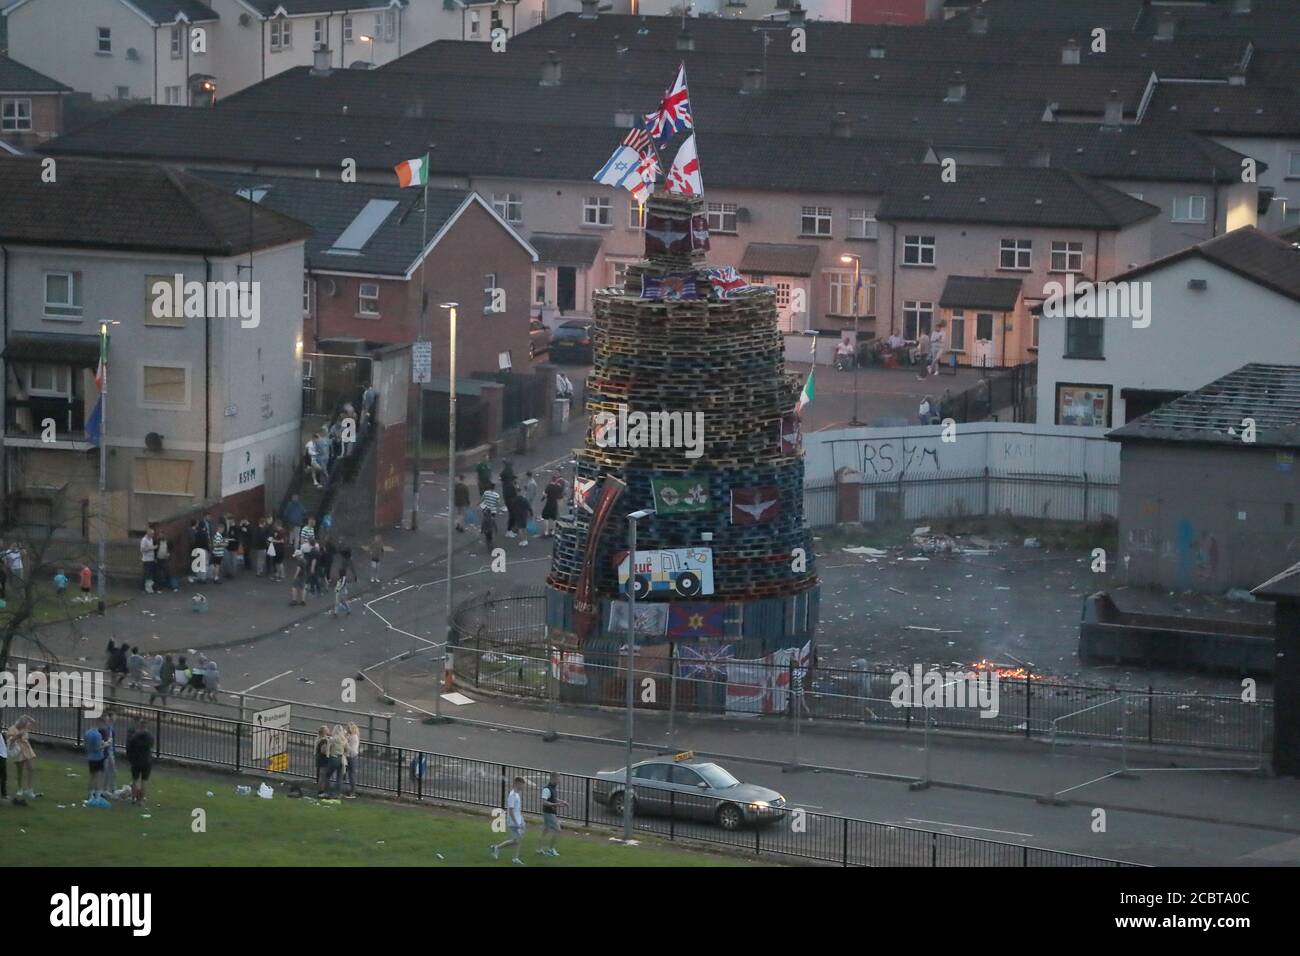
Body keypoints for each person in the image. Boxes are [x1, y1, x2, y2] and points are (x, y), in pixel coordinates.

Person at [490, 776, 527, 864]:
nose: (523, 787)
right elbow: (510, 810)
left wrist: (521, 820)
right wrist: (517, 823)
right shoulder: (512, 795)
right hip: (513, 822)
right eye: (522, 785)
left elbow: (517, 809)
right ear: (518, 784)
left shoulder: (517, 794)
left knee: (516, 840)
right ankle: (514, 858)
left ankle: (496, 848)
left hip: (517, 821)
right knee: (518, 839)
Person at [6, 715, 37, 804]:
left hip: (26, 750)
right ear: (18, 722)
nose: (23, 726)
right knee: (19, 771)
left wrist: (27, 717)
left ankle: (29, 789)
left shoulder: (25, 727)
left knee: (30, 768)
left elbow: (34, 723)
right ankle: (20, 788)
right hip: (18, 750)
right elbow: (10, 741)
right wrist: (18, 735)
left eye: (24, 725)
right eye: (21, 724)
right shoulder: (12, 729)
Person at [537, 772, 569, 858]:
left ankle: (539, 849)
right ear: (553, 778)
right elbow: (544, 802)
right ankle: (551, 850)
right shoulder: (547, 789)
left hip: (550, 812)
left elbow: (553, 798)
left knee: (545, 830)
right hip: (549, 813)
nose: (559, 780)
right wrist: (556, 805)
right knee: (558, 830)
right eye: (558, 778)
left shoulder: (553, 788)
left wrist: (562, 801)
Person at [125, 720, 154, 806]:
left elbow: (129, 746)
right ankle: (141, 800)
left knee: (135, 780)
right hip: (146, 761)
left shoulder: (135, 736)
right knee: (144, 781)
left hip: (136, 760)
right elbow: (151, 745)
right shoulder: (149, 736)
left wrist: (130, 758)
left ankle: (133, 798)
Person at [84, 716, 107, 804]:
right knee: (98, 777)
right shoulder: (98, 734)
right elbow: (98, 748)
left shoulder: (87, 733)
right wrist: (106, 744)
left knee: (91, 777)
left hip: (90, 757)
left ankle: (90, 795)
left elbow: (86, 745)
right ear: (100, 723)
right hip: (98, 758)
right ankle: (97, 796)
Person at [479, 481, 501, 552]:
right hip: (493, 511)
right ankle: (492, 533)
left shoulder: (486, 493)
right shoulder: (497, 495)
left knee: (485, 521)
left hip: (486, 510)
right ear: (494, 488)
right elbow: (498, 503)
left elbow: (482, 500)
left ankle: (488, 543)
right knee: (492, 522)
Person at [101, 711, 118, 796]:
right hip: (106, 751)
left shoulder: (111, 728)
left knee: (113, 771)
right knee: (107, 770)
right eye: (115, 716)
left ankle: (112, 788)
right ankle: (105, 789)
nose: (116, 718)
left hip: (110, 751)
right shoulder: (105, 728)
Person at [314, 726, 332, 797]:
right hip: (323, 759)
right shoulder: (324, 740)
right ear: (325, 732)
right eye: (327, 729)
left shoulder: (318, 738)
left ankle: (320, 790)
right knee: (322, 775)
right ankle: (321, 791)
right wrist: (329, 751)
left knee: (320, 775)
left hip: (319, 758)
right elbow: (323, 751)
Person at [344, 723, 360, 798]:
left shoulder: (351, 737)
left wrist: (345, 735)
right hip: (354, 756)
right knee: (351, 774)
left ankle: (352, 792)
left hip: (349, 756)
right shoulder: (356, 736)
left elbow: (345, 743)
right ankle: (352, 791)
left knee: (346, 772)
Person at [139, 526, 156, 593]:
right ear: (148, 533)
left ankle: (149, 587)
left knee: (150, 574)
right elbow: (142, 549)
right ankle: (146, 588)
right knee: (147, 574)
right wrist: (151, 548)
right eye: (152, 534)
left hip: (151, 558)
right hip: (146, 559)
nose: (152, 535)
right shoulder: (144, 540)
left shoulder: (151, 539)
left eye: (153, 534)